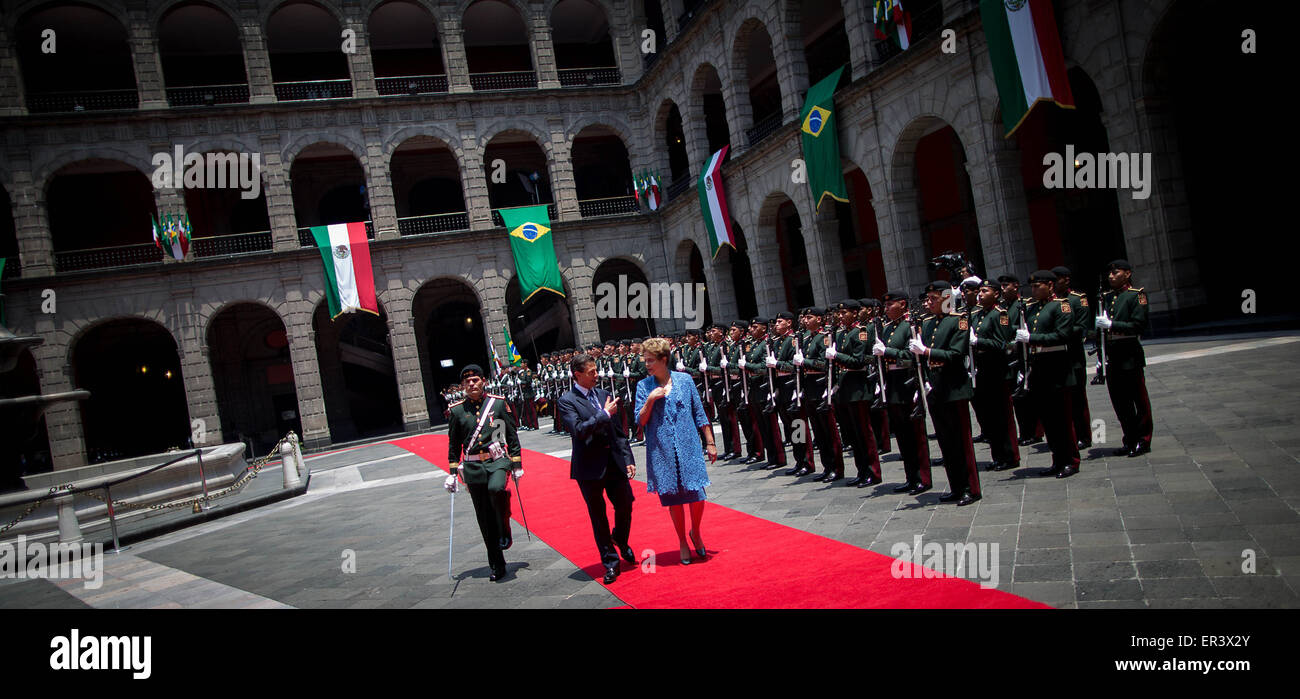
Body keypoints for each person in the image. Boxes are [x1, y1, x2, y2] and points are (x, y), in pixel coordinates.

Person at [635, 337, 716, 565]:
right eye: (645, 361)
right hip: (662, 449)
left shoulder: (685, 380)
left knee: (697, 494)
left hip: (688, 444)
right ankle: (682, 540)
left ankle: (696, 532)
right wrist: (650, 400)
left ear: (664, 359)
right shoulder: (644, 386)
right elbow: (639, 421)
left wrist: (710, 442)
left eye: (651, 360)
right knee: (673, 498)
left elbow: (699, 412)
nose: (647, 365)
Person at [558, 353, 637, 585]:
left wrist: (627, 457)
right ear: (578, 375)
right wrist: (603, 414)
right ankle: (610, 562)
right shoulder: (567, 400)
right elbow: (579, 430)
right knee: (598, 515)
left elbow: (618, 431)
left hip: (613, 461)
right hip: (589, 466)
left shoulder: (603, 394)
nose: (597, 375)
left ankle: (620, 539)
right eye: (591, 372)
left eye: (596, 370)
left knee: (625, 504)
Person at [444, 364, 522, 582]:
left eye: (476, 380)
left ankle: (504, 524)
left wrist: (516, 463)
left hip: (497, 461)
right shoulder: (457, 410)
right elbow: (453, 444)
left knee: (497, 489)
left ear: (484, 381)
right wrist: (452, 472)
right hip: (473, 467)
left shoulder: (497, 404)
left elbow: (512, 434)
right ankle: (497, 564)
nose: (472, 384)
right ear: (462, 386)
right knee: (484, 518)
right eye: (467, 382)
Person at [911, 281, 981, 506]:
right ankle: (956, 486)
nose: (927, 303)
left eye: (933, 298)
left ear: (947, 298)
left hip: (954, 389)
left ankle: (971, 488)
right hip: (936, 389)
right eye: (927, 299)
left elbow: (956, 353)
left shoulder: (958, 320)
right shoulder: (928, 323)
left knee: (961, 442)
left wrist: (927, 351)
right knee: (945, 442)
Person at [1015, 270, 1080, 477]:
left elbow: (1062, 335)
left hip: (1057, 368)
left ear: (1050, 286)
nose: (1033, 290)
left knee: (1062, 420)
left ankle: (1071, 460)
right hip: (1039, 370)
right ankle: (1057, 460)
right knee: (1049, 421)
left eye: (1037, 286)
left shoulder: (1061, 306)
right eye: (1032, 287)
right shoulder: (1032, 309)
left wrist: (1032, 338)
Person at [874, 291, 932, 495]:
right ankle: (910, 477)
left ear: (903, 305)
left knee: (916, 435)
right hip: (893, 384)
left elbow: (912, 357)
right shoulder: (887, 329)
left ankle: (923, 478)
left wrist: (887, 353)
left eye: (890, 304)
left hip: (909, 383)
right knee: (902, 436)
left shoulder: (911, 326)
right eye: (885, 305)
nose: (886, 308)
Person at [1098, 259, 1153, 457]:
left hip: (1129, 354)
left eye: (1116, 272)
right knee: (1120, 402)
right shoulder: (1105, 297)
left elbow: (1138, 325)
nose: (1111, 276)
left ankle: (1143, 439)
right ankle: (1129, 438)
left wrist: (1112, 325)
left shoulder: (1136, 296)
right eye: (1110, 274)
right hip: (1112, 356)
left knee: (1139, 399)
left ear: (1128, 274)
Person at [970, 279, 1020, 471]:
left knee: (1002, 416)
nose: (980, 294)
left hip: (996, 370)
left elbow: (1002, 344)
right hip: (981, 370)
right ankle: (997, 455)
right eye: (979, 291)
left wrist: (978, 341)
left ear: (996, 294)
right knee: (989, 417)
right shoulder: (976, 315)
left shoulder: (1000, 314)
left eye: (985, 291)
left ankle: (1010, 456)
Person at [1052, 266, 1095, 450]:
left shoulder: (1078, 300)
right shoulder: (1050, 302)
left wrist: (1060, 333)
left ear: (1066, 280)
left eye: (1056, 280)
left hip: (1073, 356)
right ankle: (1069, 434)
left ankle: (1084, 435)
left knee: (1077, 398)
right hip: (1056, 357)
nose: (1053, 284)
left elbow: (1081, 326)